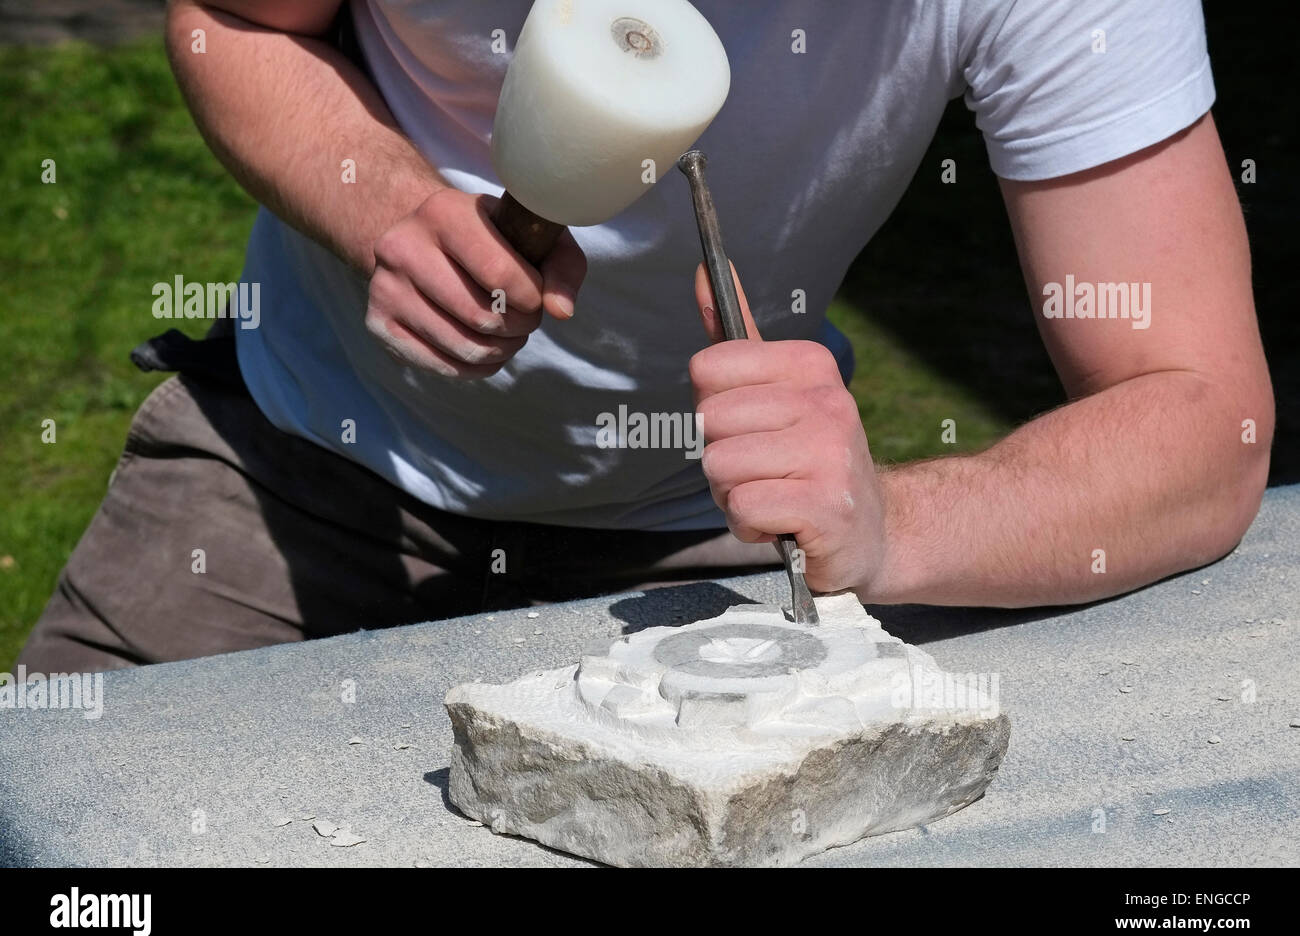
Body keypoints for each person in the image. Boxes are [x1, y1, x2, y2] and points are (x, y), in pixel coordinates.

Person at [20, 0, 1272, 671]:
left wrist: (895, 524)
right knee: (72, 842)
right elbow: (233, 17)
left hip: (713, 544)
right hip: (298, 470)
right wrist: (378, 199)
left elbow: (1202, 416)